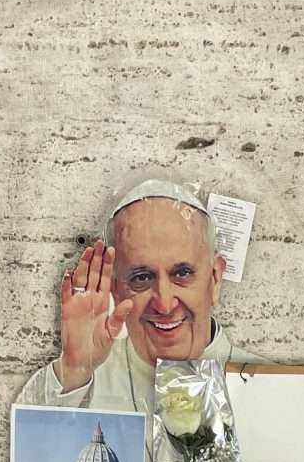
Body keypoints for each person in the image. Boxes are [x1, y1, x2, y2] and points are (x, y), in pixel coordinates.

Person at [18, 179, 231, 420]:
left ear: (214, 279)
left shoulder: (268, 384)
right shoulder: (87, 379)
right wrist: (73, 368)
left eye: (182, 274)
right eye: (141, 278)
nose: (164, 304)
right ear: (116, 290)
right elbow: (24, 441)